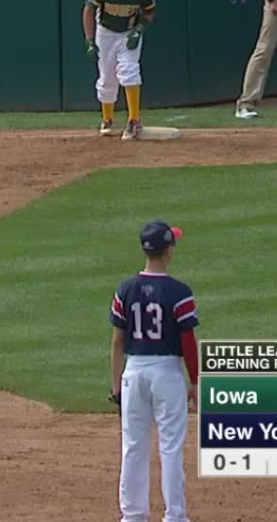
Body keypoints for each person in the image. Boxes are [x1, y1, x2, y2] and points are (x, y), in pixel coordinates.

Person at [108, 220, 199, 522]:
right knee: (170, 448)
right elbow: (188, 342)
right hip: (167, 373)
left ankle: (133, 516)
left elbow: (118, 342)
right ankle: (175, 516)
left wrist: (116, 386)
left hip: (133, 373)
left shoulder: (125, 289)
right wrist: (195, 382)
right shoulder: (179, 292)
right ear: (168, 250)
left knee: (133, 445)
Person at [83, 0, 157, 141]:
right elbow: (89, 10)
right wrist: (90, 40)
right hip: (106, 33)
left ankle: (134, 120)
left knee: (130, 70)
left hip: (129, 32)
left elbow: (149, 11)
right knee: (107, 76)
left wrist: (139, 30)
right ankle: (107, 119)